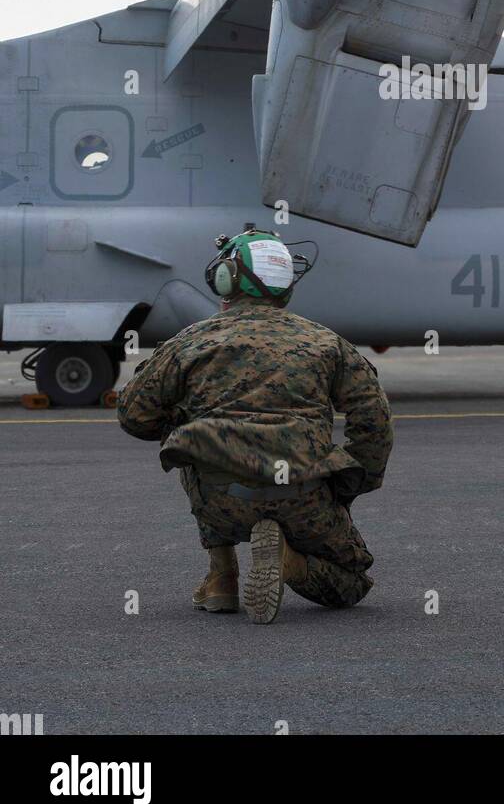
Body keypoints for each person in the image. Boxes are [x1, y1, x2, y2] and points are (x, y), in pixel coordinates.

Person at [116, 227, 393, 625]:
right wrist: (346, 486)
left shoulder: (188, 342)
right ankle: (288, 562)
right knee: (350, 584)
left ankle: (222, 574)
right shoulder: (327, 343)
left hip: (220, 500)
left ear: (226, 279)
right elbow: (374, 422)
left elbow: (134, 417)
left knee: (187, 431)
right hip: (304, 495)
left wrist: (190, 420)